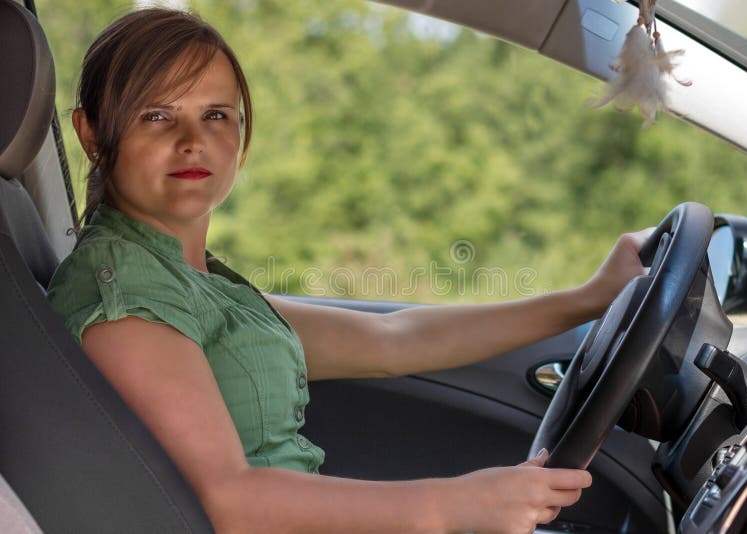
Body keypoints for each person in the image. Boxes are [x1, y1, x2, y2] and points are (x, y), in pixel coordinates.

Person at [47, 8, 649, 533]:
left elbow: (392, 340)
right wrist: (456, 506)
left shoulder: (191, 278)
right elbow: (232, 506)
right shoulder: (124, 286)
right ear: (92, 132)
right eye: (157, 115)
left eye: (216, 116)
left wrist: (589, 298)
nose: (192, 141)